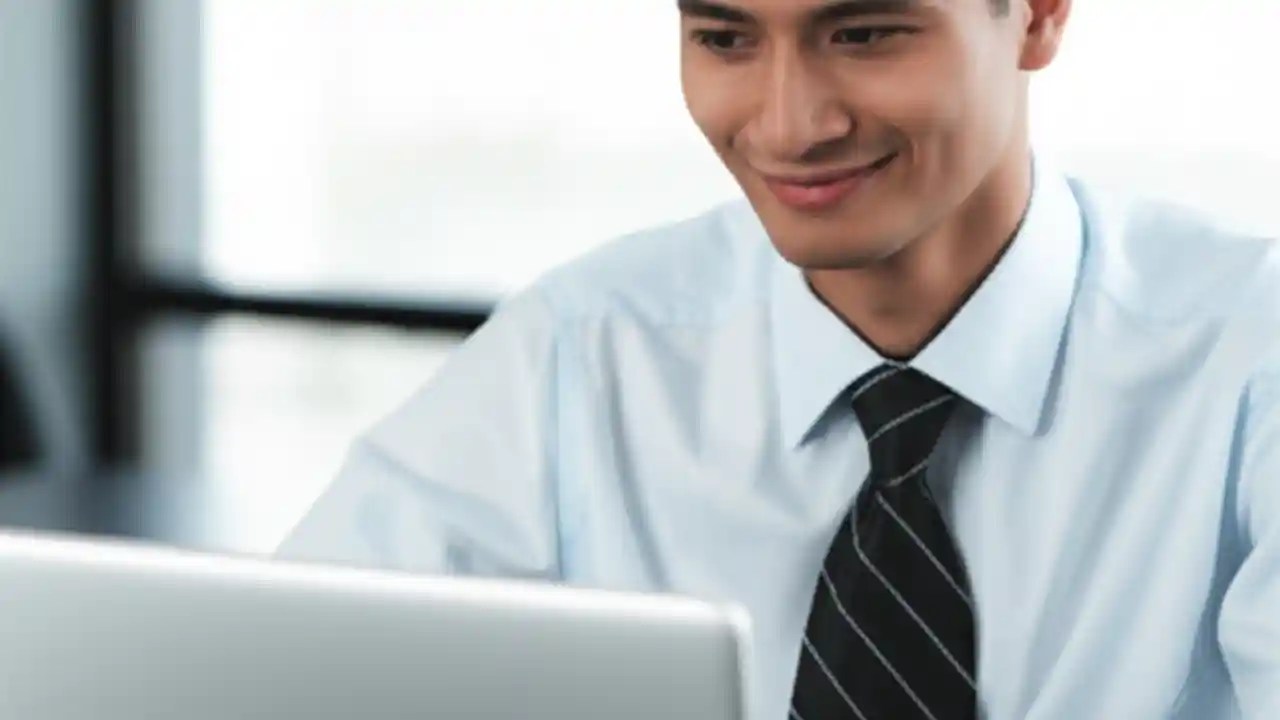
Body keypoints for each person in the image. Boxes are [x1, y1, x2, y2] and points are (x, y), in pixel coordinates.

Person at [276, 0, 1280, 717]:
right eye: (724, 38)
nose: (787, 124)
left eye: (863, 33)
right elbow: (267, 677)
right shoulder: (583, 353)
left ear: (1037, 15)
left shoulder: (1247, 356)